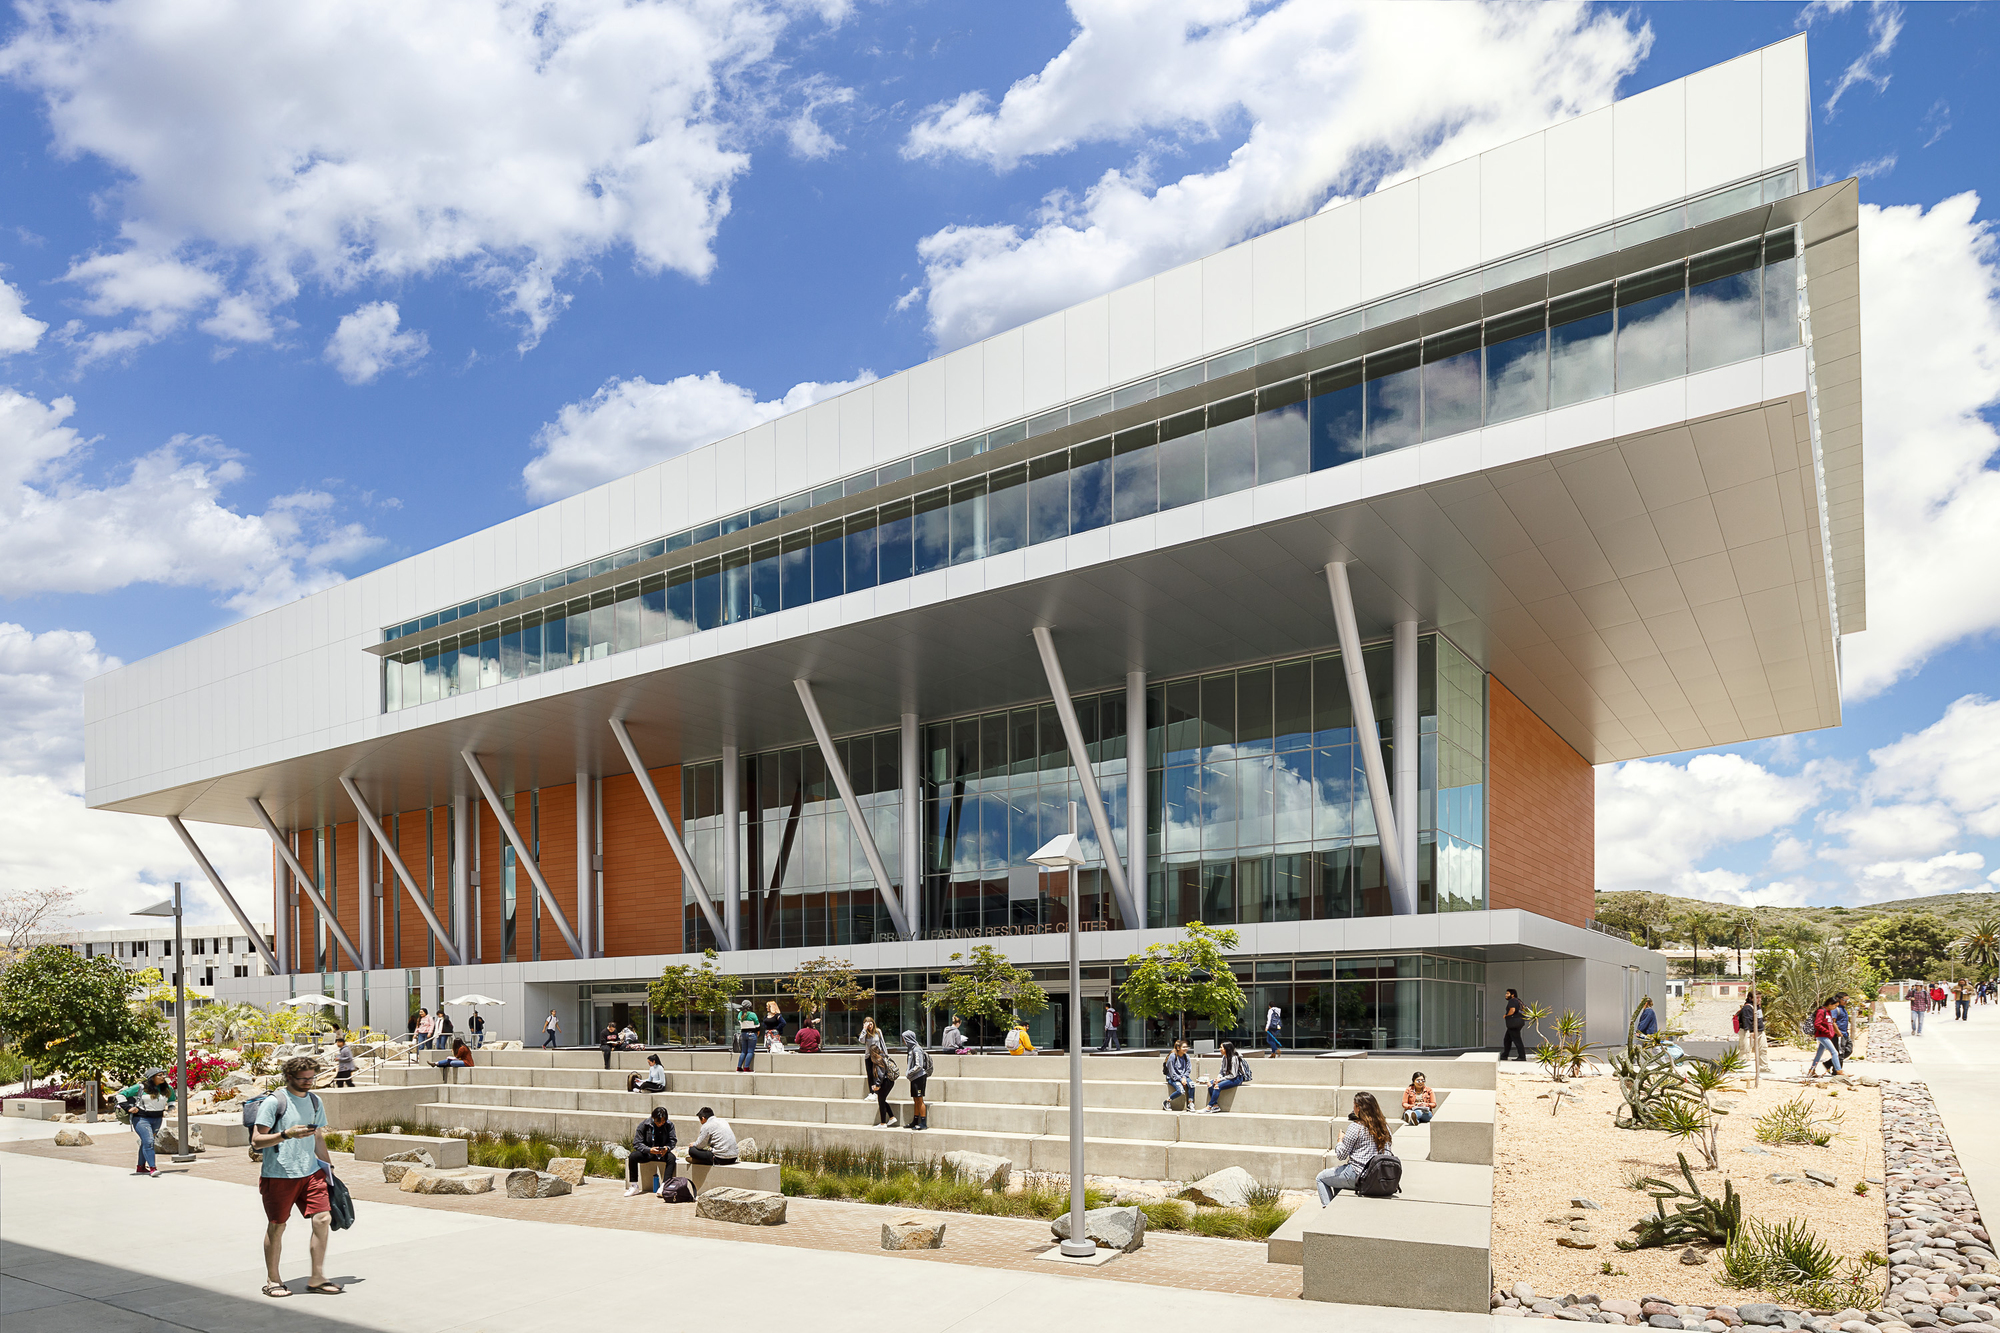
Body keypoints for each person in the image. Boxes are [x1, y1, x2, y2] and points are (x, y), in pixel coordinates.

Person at [253, 1055, 338, 1297]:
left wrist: (329, 1169)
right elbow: (257, 1141)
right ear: (289, 1077)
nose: (309, 1082)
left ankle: (317, 1277)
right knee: (277, 1226)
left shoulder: (314, 1100)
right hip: (279, 1174)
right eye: (303, 1079)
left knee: (323, 1219)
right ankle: (273, 1279)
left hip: (311, 1172)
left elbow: (317, 1136)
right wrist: (286, 1134)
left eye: (312, 1077)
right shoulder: (274, 1102)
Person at [1316, 1090, 1392, 1205]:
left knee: (1321, 1178)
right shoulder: (1385, 1127)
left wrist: (1340, 1139)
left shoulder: (1356, 1128)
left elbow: (1341, 1155)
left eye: (1354, 1106)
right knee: (1338, 1179)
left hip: (1357, 1175)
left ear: (1359, 1108)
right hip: (1379, 1175)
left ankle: (1326, 1211)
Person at [118, 1068, 175, 1175]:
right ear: (151, 1077)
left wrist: (171, 1107)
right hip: (141, 1119)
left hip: (157, 1119)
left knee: (146, 1142)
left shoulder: (167, 1088)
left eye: (163, 1075)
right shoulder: (140, 1087)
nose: (163, 1077)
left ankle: (141, 1167)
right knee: (149, 1142)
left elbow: (172, 1098)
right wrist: (128, 1108)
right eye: (159, 1075)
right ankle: (153, 1168)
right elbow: (120, 1095)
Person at [623, 1106, 677, 1196]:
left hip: (662, 1153)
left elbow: (673, 1140)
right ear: (653, 1118)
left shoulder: (669, 1125)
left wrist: (667, 1148)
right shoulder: (644, 1125)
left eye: (663, 1121)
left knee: (671, 1158)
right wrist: (649, 1150)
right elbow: (636, 1143)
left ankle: (664, 1186)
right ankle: (634, 1186)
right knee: (633, 1156)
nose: (660, 1124)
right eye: (658, 1121)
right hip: (648, 1153)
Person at [1204, 1041, 1249, 1111]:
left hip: (1236, 1079)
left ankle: (1209, 1107)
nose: (1219, 1049)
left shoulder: (1234, 1058)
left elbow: (1233, 1075)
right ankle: (1215, 1106)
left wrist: (1221, 1080)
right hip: (1227, 1077)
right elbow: (1221, 1071)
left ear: (1226, 1049)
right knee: (1210, 1083)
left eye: (1221, 1047)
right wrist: (1218, 1077)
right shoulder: (1224, 1057)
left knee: (1217, 1086)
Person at [903, 1030, 932, 1131]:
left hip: (919, 1077)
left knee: (920, 1099)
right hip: (913, 1078)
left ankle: (923, 1122)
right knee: (915, 1099)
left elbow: (919, 1065)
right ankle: (915, 1120)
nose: (903, 1041)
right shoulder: (910, 1050)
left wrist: (909, 1073)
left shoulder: (917, 1049)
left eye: (904, 1038)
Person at [1806, 999, 1843, 1077]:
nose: (1835, 1008)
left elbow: (1830, 1023)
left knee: (1819, 1054)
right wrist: (1827, 1031)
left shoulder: (1828, 1012)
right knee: (1834, 1052)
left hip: (1826, 1036)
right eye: (1835, 1005)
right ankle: (1839, 1070)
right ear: (1830, 1004)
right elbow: (1817, 1024)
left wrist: (1832, 1033)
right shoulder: (1821, 1011)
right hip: (1822, 1035)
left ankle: (1811, 1070)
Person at [867, 1045, 899, 1127]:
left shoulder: (878, 1060)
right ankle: (891, 1117)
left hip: (885, 1081)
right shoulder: (884, 1056)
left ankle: (883, 1123)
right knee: (882, 1100)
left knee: (881, 1101)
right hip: (889, 1081)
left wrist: (877, 1084)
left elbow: (881, 1074)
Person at [1162, 1039, 1195, 1111]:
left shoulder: (1186, 1056)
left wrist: (1184, 1077)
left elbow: (1188, 1069)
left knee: (1192, 1085)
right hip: (1172, 1078)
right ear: (1178, 1048)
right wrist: (1180, 1079)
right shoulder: (1173, 1056)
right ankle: (1167, 1101)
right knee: (1180, 1091)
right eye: (1184, 1047)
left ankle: (1190, 1103)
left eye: (1186, 1047)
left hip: (1183, 1077)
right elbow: (1172, 1072)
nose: (1186, 1049)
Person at [1501, 989, 1527, 1061]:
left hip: (1513, 1023)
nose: (1506, 995)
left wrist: (1506, 1015)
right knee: (1507, 1039)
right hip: (1519, 1022)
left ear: (1512, 995)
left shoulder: (1512, 1001)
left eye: (1507, 994)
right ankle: (1504, 1055)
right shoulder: (1518, 1001)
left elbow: (1512, 1010)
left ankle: (1522, 1056)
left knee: (1517, 1040)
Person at [736, 1001, 760, 1072]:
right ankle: (746, 1067)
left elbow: (740, 1022)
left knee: (743, 1051)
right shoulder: (752, 1014)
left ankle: (739, 1067)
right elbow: (757, 1025)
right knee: (750, 1051)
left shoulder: (740, 1014)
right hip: (752, 1034)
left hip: (743, 1034)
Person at [1832, 993, 1853, 1060]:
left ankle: (1828, 1063)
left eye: (1847, 1000)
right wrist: (1838, 1032)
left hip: (1845, 1034)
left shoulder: (1843, 1009)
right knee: (1840, 1054)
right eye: (1844, 1000)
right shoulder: (1835, 1009)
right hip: (1839, 1034)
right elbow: (1832, 1022)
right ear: (1838, 999)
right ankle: (1837, 1070)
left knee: (1848, 1050)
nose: (1846, 1002)